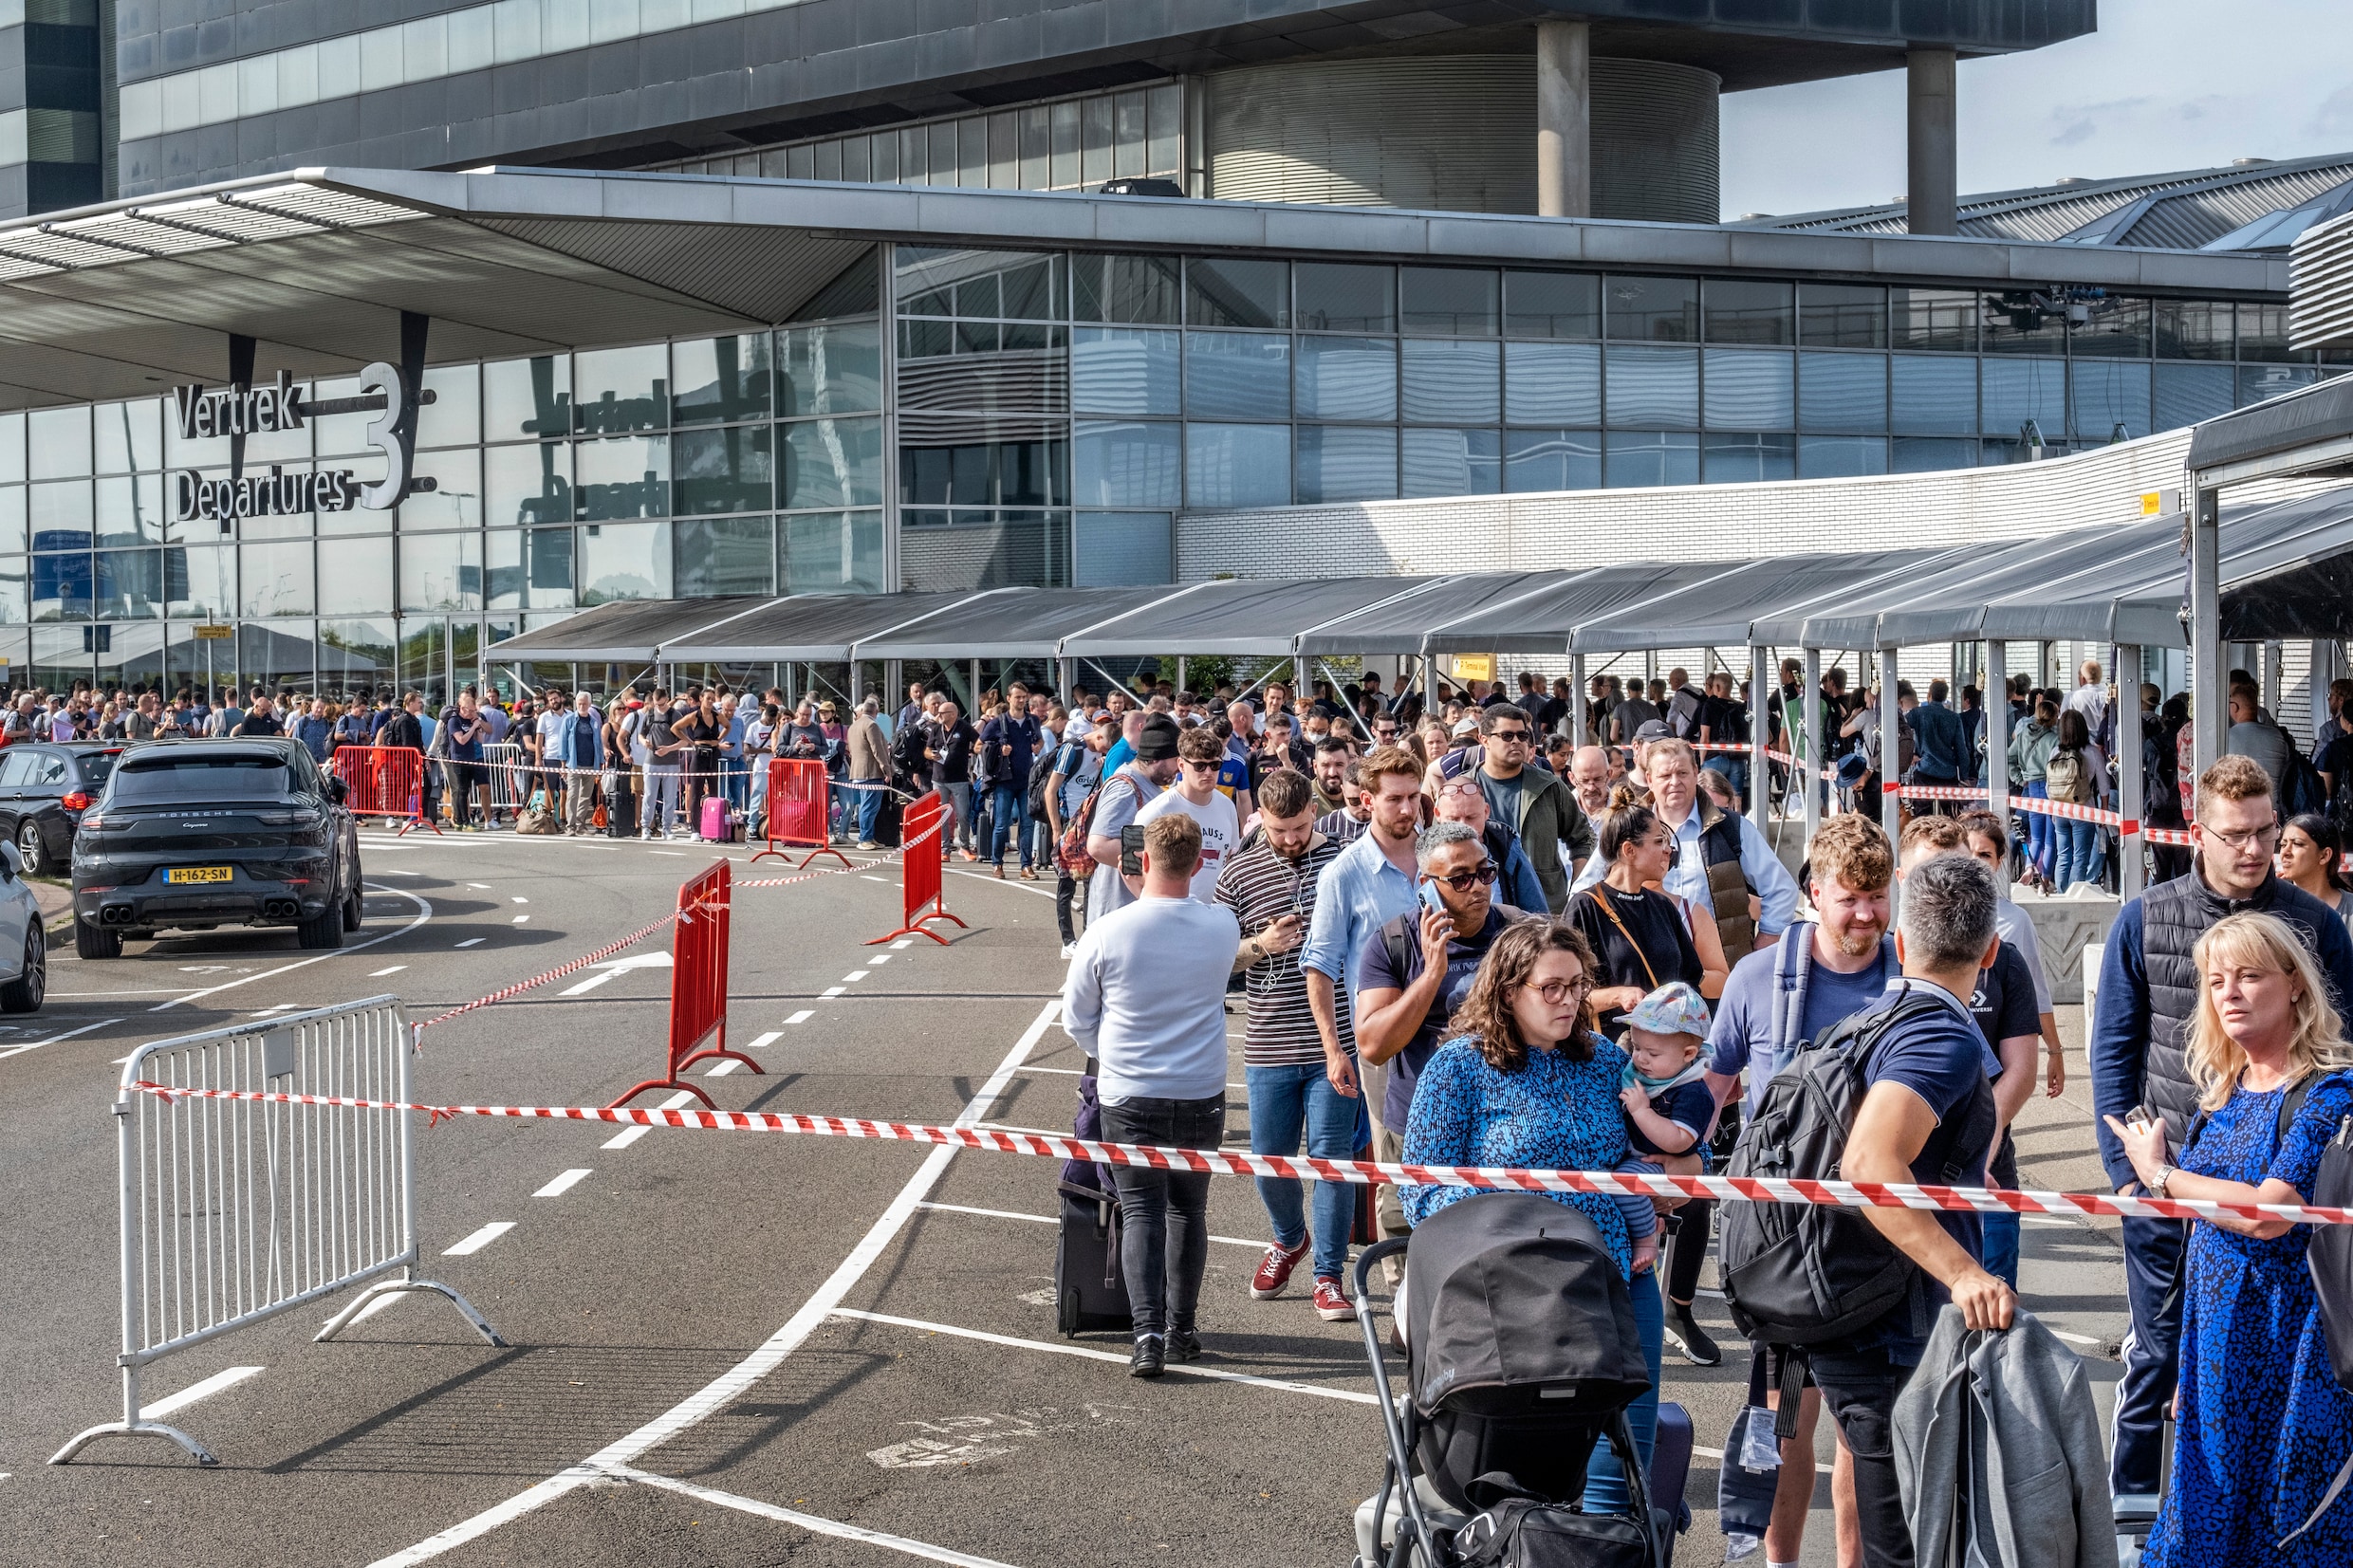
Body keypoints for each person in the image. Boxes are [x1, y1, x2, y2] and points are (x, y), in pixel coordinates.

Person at [2091, 753, 2353, 1540]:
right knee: (2161, 1359)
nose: (2252, 847)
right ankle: (2139, 1503)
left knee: (2274, 1425)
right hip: (2174, 1184)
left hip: (2268, 1223)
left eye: (2265, 830)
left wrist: (2166, 1176)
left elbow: (2340, 1058)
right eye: (2234, 833)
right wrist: (2137, 1183)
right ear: (2196, 829)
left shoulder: (2317, 927)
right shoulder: (2146, 916)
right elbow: (2114, 1053)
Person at [1399, 919, 1661, 1516]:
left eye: (1578, 986)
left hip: (1613, 1283)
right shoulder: (1458, 1068)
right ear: (1508, 989)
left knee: (1617, 1477)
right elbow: (1422, 1195)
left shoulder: (1601, 1064)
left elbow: (1624, 1155)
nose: (1570, 1000)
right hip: (1508, 1297)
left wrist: (1653, 1185)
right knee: (1515, 1481)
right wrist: (1517, 1221)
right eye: (1552, 988)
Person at [1702, 811, 1899, 1568]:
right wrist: (1669, 1144)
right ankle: (1778, 1561)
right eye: (1850, 896)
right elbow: (1713, 1086)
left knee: (1864, 1429)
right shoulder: (1759, 977)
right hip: (1782, 1241)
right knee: (1785, 1418)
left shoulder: (1906, 980)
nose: (1866, 914)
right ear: (1815, 892)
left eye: (1878, 896)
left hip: (1876, 1243)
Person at [1061, 812, 1241, 1378]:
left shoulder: (1108, 931)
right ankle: (1183, 1328)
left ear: (1140, 863)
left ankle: (1147, 1335)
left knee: (1140, 1211)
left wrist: (1114, 1055)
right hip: (1201, 1090)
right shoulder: (1223, 927)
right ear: (1200, 862)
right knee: (1189, 1210)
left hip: (1130, 1090)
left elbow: (1076, 1020)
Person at [1215, 768, 1360, 1319]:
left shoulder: (1346, 860)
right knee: (1268, 1159)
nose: (1292, 839)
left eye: (1301, 827)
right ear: (1262, 823)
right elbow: (1218, 956)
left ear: (1314, 813)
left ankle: (1328, 1275)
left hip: (1336, 1041)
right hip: (1269, 1039)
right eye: (1280, 830)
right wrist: (1261, 942)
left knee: (1331, 1160)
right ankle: (1288, 1238)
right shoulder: (1240, 870)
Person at [1571, 738, 1797, 959]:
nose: (1674, 782)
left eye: (1682, 773)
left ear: (1696, 772)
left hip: (1721, 976)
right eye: (1665, 775)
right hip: (1649, 975)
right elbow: (1582, 892)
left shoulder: (1731, 827)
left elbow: (1782, 891)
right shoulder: (1626, 828)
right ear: (1649, 779)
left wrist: (1764, 944)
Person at [1432, 703, 1591, 910]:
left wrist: (1575, 891)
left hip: (1543, 913)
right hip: (1479, 913)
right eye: (1507, 736)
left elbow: (1582, 838)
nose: (1516, 741)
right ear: (1484, 740)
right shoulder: (1463, 791)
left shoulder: (1548, 786)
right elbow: (1437, 851)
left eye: (1522, 736)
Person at [1610, 983, 1717, 1282]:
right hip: (1638, 1156)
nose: (1641, 1059)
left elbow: (1681, 1140)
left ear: (1688, 1054)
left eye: (1652, 1053)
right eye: (1637, 1047)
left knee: (1626, 1186)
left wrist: (1642, 1112)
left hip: (1654, 1162)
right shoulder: (1649, 1073)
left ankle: (1646, 1240)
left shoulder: (1692, 1092)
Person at [1084, 714, 1181, 922]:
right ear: (1156, 757)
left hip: (1131, 908)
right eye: (1175, 760)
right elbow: (1098, 845)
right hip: (1118, 909)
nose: (1178, 767)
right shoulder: (1126, 787)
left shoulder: (1144, 784)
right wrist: (1157, 862)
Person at [1136, 727, 1241, 903]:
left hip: (1213, 914)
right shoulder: (1156, 811)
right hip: (1168, 913)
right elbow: (1132, 870)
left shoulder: (1227, 806)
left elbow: (1230, 859)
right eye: (1200, 766)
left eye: (1215, 765)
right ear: (1181, 765)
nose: (1208, 773)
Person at [1432, 776, 1547, 916]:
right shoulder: (1426, 854)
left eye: (1470, 817)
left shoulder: (1507, 847)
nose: (1462, 826)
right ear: (1437, 814)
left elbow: (1537, 914)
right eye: (1454, 819)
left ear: (1486, 812)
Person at [1045, 712, 1108, 957]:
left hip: (1090, 824)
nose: (1106, 749)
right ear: (1096, 730)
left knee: (1092, 883)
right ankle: (1068, 940)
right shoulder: (1073, 749)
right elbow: (1051, 790)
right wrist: (1057, 830)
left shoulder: (1102, 756)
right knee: (1067, 884)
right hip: (1068, 824)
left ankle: (1088, 935)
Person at [978, 692, 1043, 878]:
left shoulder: (1032, 721)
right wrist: (999, 749)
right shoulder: (998, 722)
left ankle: (1026, 866)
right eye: (1017, 697)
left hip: (1026, 780)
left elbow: (1039, 739)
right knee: (1001, 824)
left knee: (1028, 824)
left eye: (1024, 697)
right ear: (1009, 698)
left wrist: (1038, 745)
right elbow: (977, 745)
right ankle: (997, 864)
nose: (1021, 700)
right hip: (1005, 781)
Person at [2046, 707, 2109, 893]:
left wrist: (2052, 811)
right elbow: (2104, 786)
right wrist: (2103, 812)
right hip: (2083, 811)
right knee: (2080, 857)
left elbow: (2049, 786)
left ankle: (2060, 893)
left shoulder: (2055, 752)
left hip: (2060, 811)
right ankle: (2073, 896)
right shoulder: (2091, 752)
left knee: (2063, 855)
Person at [2279, 812, 2353, 939]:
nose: (2285, 852)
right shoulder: (2274, 908)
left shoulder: (2350, 910)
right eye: (2283, 845)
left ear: (2324, 856)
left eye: (2297, 843)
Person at [2225, 680, 2294, 800]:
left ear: (2234, 707)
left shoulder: (2227, 738)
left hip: (2238, 805)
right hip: (2273, 806)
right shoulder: (2277, 736)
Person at [552, 691, 603, 835]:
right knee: (572, 795)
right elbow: (562, 742)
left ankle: (581, 825)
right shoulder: (569, 720)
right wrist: (563, 764)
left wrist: (600, 762)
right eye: (580, 704)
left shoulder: (593, 721)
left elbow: (598, 743)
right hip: (573, 764)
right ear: (576, 704)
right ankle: (570, 825)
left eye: (585, 704)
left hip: (590, 764)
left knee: (585, 796)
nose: (582, 706)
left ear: (589, 704)